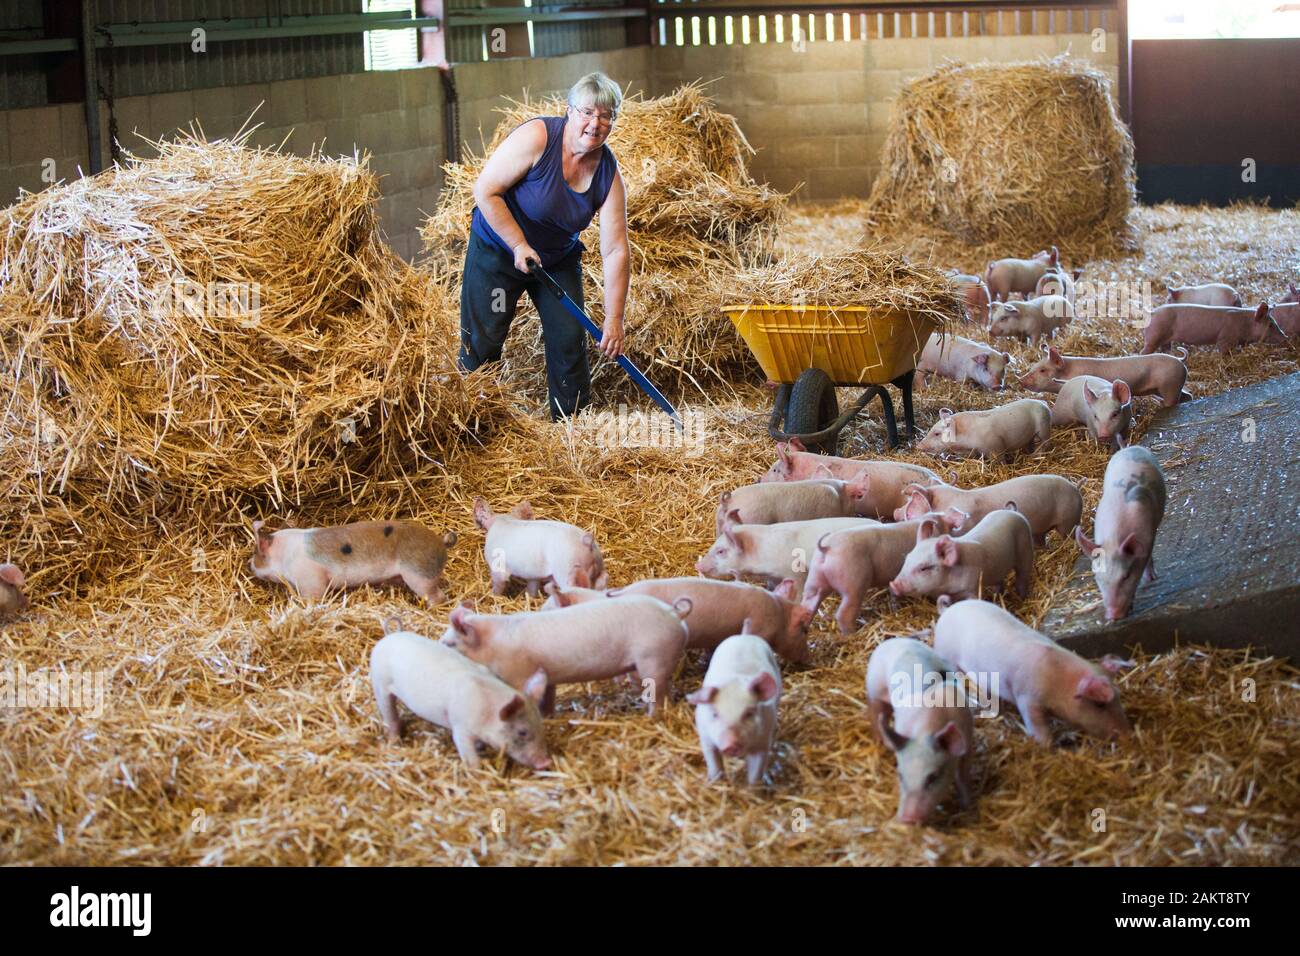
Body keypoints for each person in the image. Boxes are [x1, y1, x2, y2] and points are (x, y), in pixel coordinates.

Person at [459, 72, 629, 421]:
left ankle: (573, 428)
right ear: (568, 111)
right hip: (499, 251)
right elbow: (485, 191)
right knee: (485, 338)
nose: (594, 123)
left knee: (568, 338)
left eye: (605, 115)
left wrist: (614, 319)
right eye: (587, 112)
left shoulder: (609, 175)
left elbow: (615, 250)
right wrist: (518, 245)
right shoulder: (538, 137)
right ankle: (471, 420)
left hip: (554, 260)